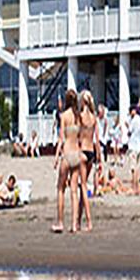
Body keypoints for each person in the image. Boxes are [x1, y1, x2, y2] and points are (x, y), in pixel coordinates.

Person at [52, 90, 80, 234]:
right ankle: (74, 224)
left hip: (67, 153)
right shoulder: (78, 116)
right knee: (74, 190)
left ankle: (60, 222)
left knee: (61, 188)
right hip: (77, 153)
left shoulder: (64, 116)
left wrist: (57, 157)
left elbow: (61, 138)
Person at [76, 91, 98, 231]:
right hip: (91, 152)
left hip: (83, 151)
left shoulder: (81, 117)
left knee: (83, 186)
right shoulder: (93, 118)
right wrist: (99, 159)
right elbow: (97, 140)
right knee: (82, 188)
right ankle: (78, 220)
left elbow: (77, 136)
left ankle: (89, 221)